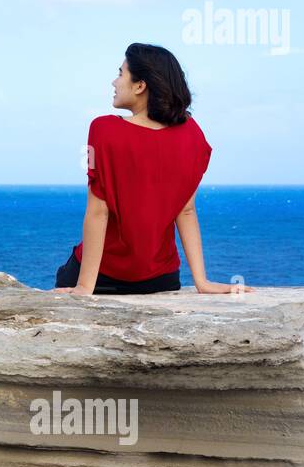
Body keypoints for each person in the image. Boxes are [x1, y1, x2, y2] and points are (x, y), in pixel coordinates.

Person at [53, 43, 256, 296]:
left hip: (104, 278)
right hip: (162, 279)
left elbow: (98, 212)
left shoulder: (103, 129)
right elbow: (187, 210)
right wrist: (202, 282)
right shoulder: (192, 134)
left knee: (64, 273)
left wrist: (84, 287)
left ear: (140, 86)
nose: (114, 82)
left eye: (120, 73)